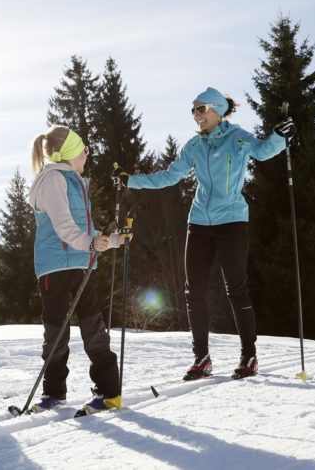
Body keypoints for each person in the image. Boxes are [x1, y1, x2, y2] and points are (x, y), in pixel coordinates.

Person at [123, 87, 294, 381]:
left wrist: (279, 136)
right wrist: (130, 181)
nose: (196, 115)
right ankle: (201, 358)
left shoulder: (237, 137)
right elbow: (170, 175)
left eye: (200, 109)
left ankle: (248, 356)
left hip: (232, 221)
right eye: (193, 111)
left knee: (236, 288)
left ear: (217, 110)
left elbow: (264, 151)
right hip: (199, 222)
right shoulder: (194, 146)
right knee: (194, 292)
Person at [26, 125, 126, 416]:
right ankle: (53, 392)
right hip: (55, 266)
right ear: (70, 152)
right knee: (56, 331)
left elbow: (87, 230)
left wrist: (115, 240)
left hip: (83, 262)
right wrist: (91, 242)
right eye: (84, 148)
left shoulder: (76, 182)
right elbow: (64, 226)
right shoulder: (53, 180)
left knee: (93, 327)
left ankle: (110, 392)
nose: (87, 153)